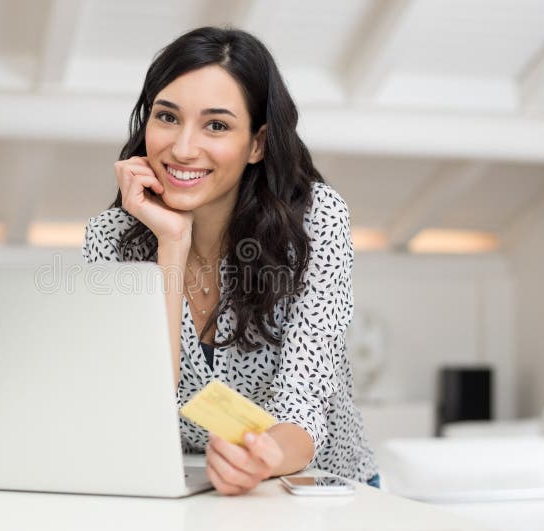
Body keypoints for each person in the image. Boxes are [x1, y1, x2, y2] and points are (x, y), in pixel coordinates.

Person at [82, 26, 378, 495]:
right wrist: (172, 244)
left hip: (316, 488)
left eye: (216, 125)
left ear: (257, 144)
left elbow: (302, 407)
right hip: (188, 488)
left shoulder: (315, 222)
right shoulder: (112, 239)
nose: (181, 149)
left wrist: (261, 459)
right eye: (167, 117)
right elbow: (138, 409)